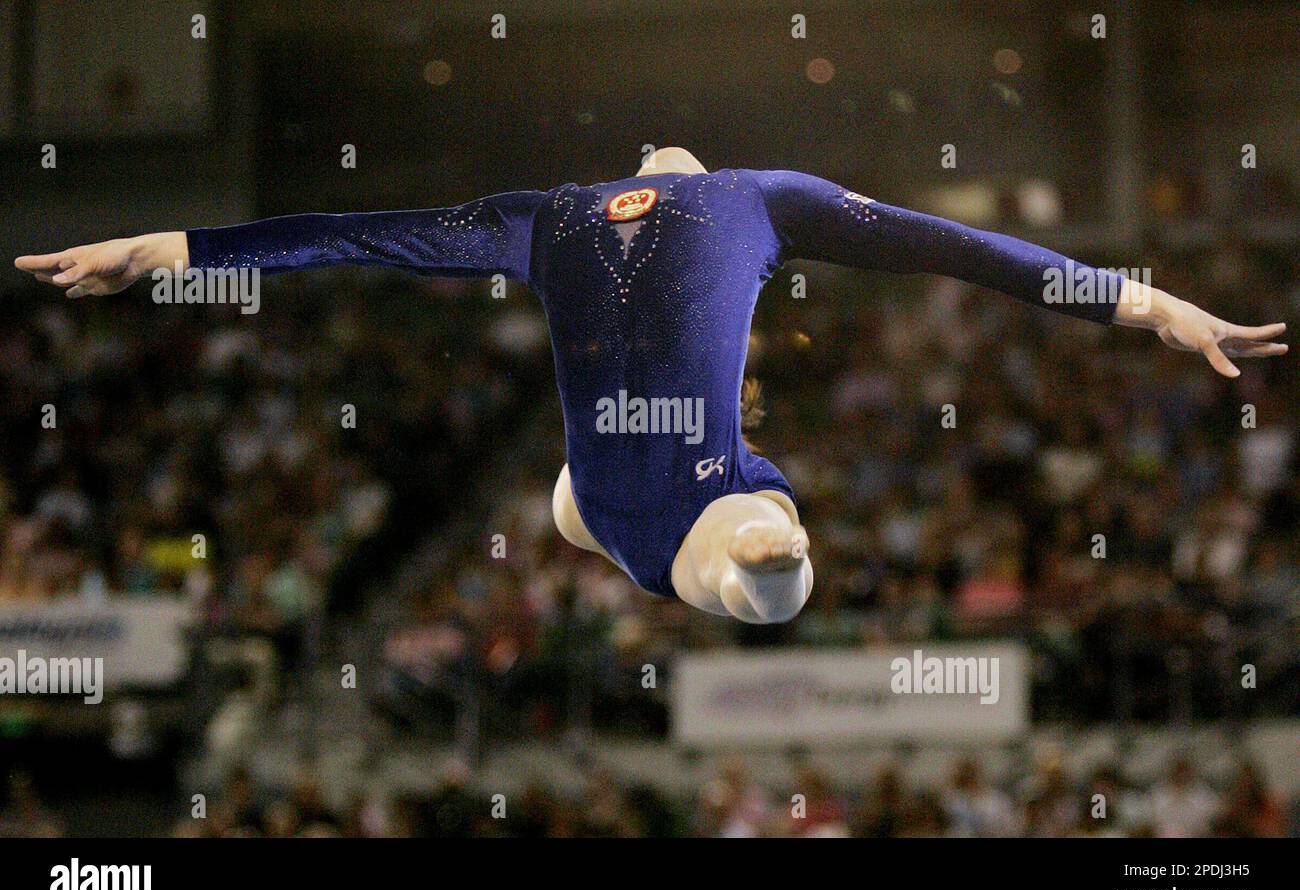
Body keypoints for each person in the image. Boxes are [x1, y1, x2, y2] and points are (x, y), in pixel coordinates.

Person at [15, 147, 1287, 624]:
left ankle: (753, 547)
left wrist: (173, 249)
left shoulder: (555, 211)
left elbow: (360, 229)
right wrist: (1144, 301)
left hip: (627, 502)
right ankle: (766, 549)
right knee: (767, 561)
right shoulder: (752, 196)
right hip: (672, 502)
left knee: (747, 552)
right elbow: (960, 249)